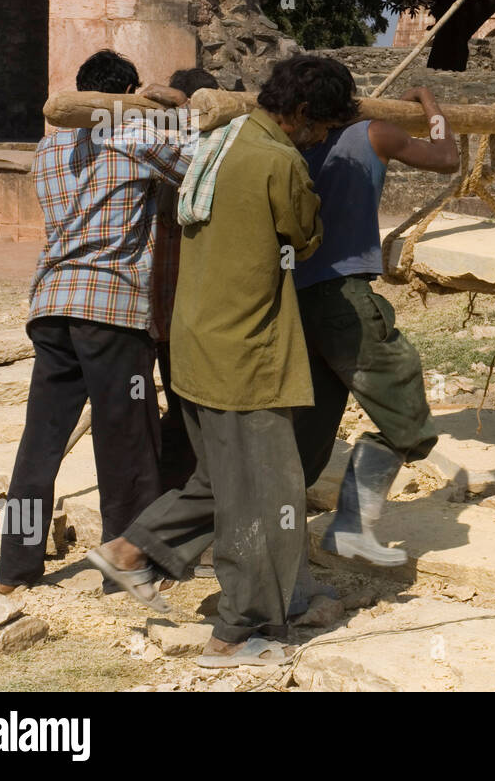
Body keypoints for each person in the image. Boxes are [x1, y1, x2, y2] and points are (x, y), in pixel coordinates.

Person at [89, 55, 358, 668]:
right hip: (246, 351)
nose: (320, 139)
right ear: (301, 114)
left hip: (195, 341)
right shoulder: (277, 160)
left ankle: (133, 551)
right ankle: (239, 631)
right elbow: (303, 234)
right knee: (267, 492)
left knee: (217, 480)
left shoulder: (217, 141)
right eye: (320, 128)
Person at [0, 50, 189, 596]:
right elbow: (201, 169)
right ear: (125, 95)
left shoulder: (49, 146)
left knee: (40, 442)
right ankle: (127, 567)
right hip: (111, 309)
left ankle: (14, 569)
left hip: (52, 305)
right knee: (126, 440)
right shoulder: (136, 136)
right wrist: (170, 108)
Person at [292, 86, 458, 568]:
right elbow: (447, 157)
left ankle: (257, 538)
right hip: (345, 298)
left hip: (298, 299)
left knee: (310, 436)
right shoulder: (375, 132)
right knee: (406, 418)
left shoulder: (295, 142)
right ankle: (350, 526)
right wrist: (429, 103)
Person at [150, 67, 221, 495]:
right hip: (184, 311)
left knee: (184, 408)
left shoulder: (167, 149)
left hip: (172, 311)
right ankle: (190, 496)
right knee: (192, 410)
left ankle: (177, 492)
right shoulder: (192, 155)